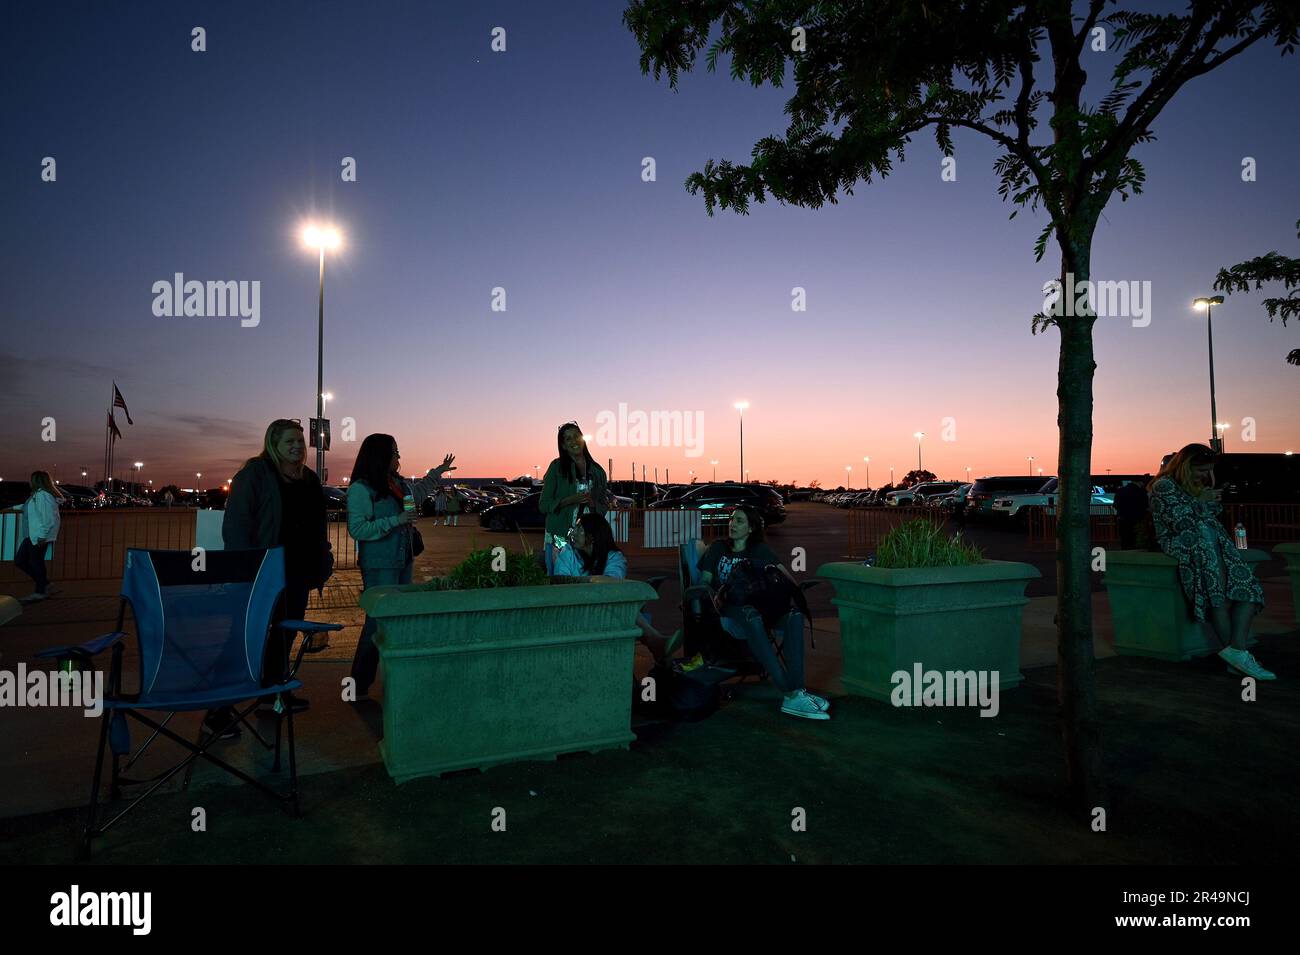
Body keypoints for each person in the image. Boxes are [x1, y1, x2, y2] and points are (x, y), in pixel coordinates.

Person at [222, 419, 335, 734]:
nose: (297, 446)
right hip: (262, 571)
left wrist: (323, 557)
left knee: (285, 634)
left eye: (300, 440)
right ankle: (219, 710)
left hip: (297, 572)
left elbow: (317, 525)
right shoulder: (255, 474)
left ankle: (274, 694)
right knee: (247, 637)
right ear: (273, 443)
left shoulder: (308, 479)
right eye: (290, 441)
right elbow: (236, 525)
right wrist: (245, 566)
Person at [1149, 444, 1273, 680]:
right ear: (1185, 466)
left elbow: (1206, 515)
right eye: (1200, 470)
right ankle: (1238, 658)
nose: (1203, 475)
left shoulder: (1192, 486)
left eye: (1207, 470)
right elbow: (1179, 524)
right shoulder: (1163, 486)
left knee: (1248, 591)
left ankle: (1236, 653)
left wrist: (1207, 500)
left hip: (1215, 544)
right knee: (1219, 598)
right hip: (1192, 545)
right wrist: (1201, 502)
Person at [697, 505, 830, 720]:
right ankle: (791, 693)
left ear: (751, 528)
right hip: (731, 610)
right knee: (751, 616)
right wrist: (715, 595)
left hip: (761, 607)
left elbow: (786, 579)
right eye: (732, 519)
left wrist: (795, 592)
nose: (733, 524)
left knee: (794, 617)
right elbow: (704, 581)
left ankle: (798, 693)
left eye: (740, 521)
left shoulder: (760, 550)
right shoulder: (718, 548)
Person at [348, 435, 456, 699]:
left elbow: (416, 495)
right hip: (379, 564)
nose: (399, 457)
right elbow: (357, 528)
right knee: (376, 621)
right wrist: (395, 520)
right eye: (395, 452)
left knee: (397, 618)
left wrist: (437, 473)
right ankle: (359, 683)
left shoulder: (397, 484)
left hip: (403, 559)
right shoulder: (362, 489)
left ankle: (393, 677)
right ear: (380, 455)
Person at [551, 512, 682, 661]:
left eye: (579, 529)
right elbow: (561, 584)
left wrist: (586, 583)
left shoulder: (614, 557)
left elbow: (612, 586)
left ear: (592, 536)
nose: (573, 532)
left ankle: (655, 643)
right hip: (575, 610)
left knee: (618, 603)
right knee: (621, 606)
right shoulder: (568, 554)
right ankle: (654, 641)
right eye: (574, 528)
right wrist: (593, 582)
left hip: (606, 608)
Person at [539, 422, 608, 573]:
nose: (573, 441)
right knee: (560, 580)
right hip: (560, 538)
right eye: (568, 439)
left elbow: (604, 505)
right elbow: (544, 505)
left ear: (583, 439)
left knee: (588, 579)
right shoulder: (556, 468)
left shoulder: (597, 471)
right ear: (563, 445)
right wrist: (569, 500)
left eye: (576, 436)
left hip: (588, 540)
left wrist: (592, 503)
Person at [12, 471, 63, 603]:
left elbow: (48, 518)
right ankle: (45, 585)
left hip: (37, 535)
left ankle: (41, 590)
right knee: (29, 561)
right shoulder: (38, 495)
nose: (30, 482)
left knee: (30, 562)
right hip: (33, 534)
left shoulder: (42, 495)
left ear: (37, 481)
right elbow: (27, 507)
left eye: (32, 479)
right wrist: (11, 508)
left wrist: (42, 535)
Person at [1114, 476, 1150, 549]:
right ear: (1140, 482)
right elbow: (1146, 505)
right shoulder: (1141, 492)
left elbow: (1116, 505)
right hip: (1138, 520)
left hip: (1123, 519)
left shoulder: (1120, 491)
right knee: (1136, 542)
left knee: (1125, 541)